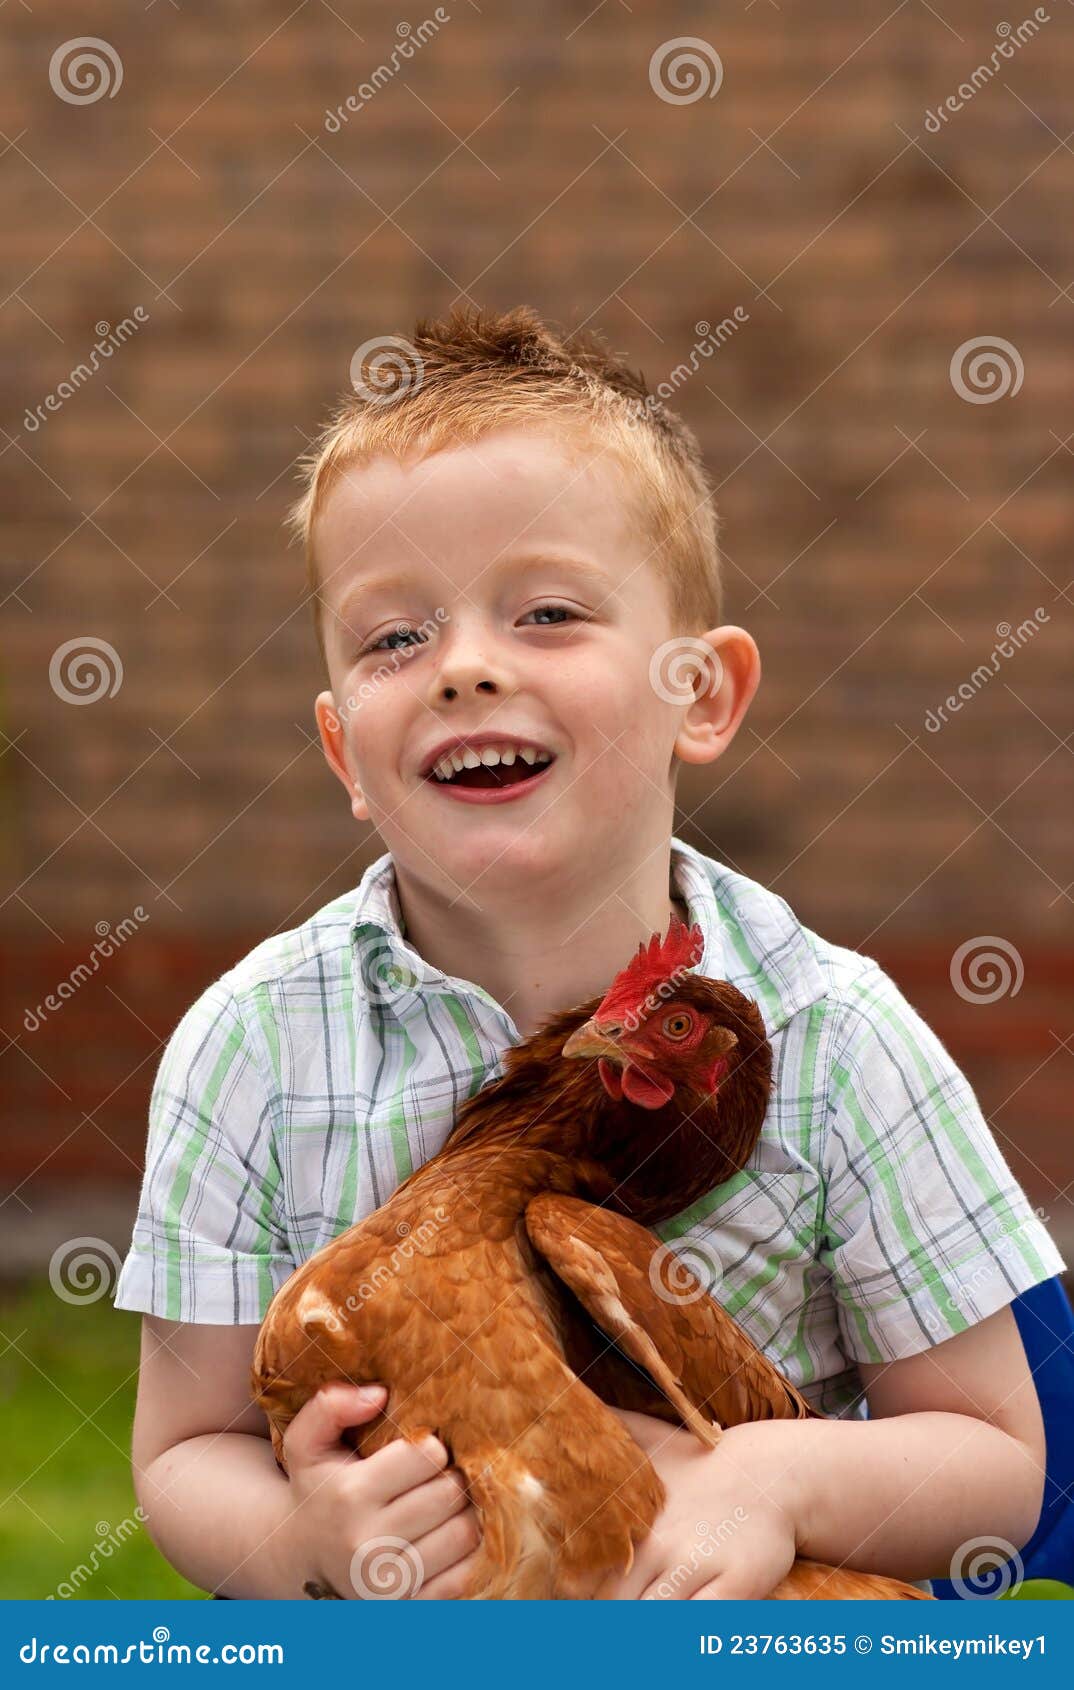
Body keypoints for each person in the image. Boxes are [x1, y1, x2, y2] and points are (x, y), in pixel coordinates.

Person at [113, 305, 1063, 1601]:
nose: (462, 668)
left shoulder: (837, 1035)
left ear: (700, 694)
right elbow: (185, 1446)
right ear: (345, 756)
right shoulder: (254, 1045)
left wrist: (773, 1482)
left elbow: (999, 1462)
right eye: (395, 637)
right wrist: (299, 1541)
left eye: (547, 612)